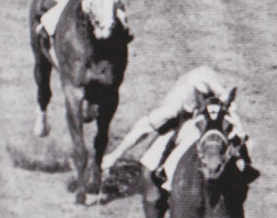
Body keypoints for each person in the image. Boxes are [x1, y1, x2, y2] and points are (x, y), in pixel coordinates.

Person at [103, 65, 256, 187]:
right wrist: (116, 154)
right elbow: (143, 128)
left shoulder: (220, 92)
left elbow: (232, 115)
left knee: (236, 135)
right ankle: (163, 169)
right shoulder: (175, 105)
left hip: (212, 100)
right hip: (187, 114)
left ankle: (244, 163)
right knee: (179, 138)